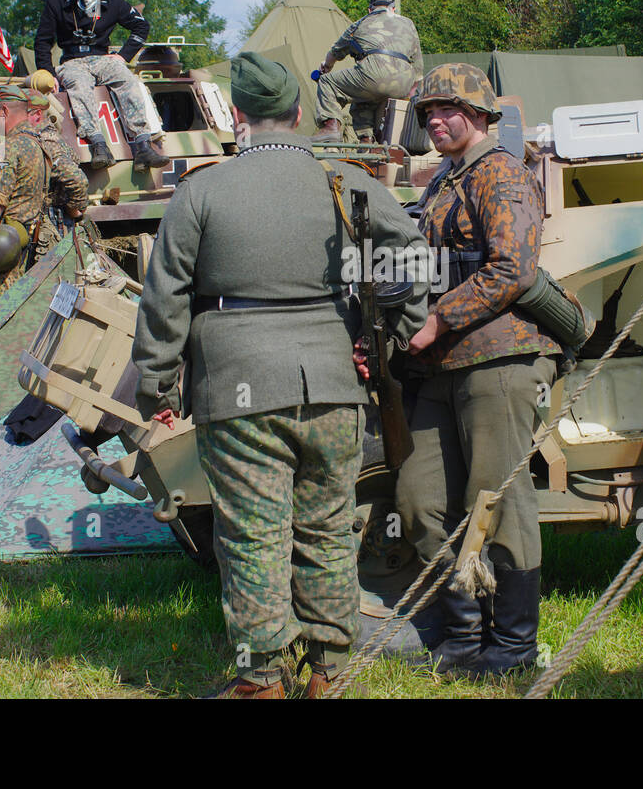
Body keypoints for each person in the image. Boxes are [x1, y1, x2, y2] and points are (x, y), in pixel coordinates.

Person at [132, 51, 428, 698]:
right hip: (332, 383)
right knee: (327, 526)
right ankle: (327, 669)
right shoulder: (345, 182)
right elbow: (410, 246)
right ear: (298, 114)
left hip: (239, 388)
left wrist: (155, 386)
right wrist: (396, 332)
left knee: (252, 534)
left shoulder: (200, 191)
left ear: (237, 117)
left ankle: (262, 679)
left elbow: (165, 299)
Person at [395, 63, 559, 676]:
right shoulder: (444, 180)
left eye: (448, 110)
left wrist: (437, 319)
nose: (436, 121)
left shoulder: (500, 173)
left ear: (482, 115)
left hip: (499, 356)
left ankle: (512, 646)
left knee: (498, 497)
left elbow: (511, 268)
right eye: (428, 114)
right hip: (441, 365)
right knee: (419, 498)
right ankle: (463, 635)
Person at [34, 0, 169, 171]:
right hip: (72, 60)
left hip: (103, 58)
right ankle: (98, 144)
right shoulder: (58, 1)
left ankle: (143, 144)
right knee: (79, 85)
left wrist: (124, 55)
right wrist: (48, 73)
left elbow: (141, 26)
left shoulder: (113, 0)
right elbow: (42, 41)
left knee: (127, 79)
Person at [0, 86, 89, 312]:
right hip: (28, 241)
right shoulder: (38, 144)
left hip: (6, 246)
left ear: (3, 110)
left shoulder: (8, 147)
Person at [313, 0, 423, 143]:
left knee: (327, 82)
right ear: (393, 9)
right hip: (404, 83)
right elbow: (418, 67)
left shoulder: (360, 23)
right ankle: (367, 141)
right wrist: (407, 97)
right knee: (363, 98)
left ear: (370, 9)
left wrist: (326, 66)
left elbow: (335, 52)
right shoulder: (408, 24)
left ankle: (331, 128)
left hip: (373, 75)